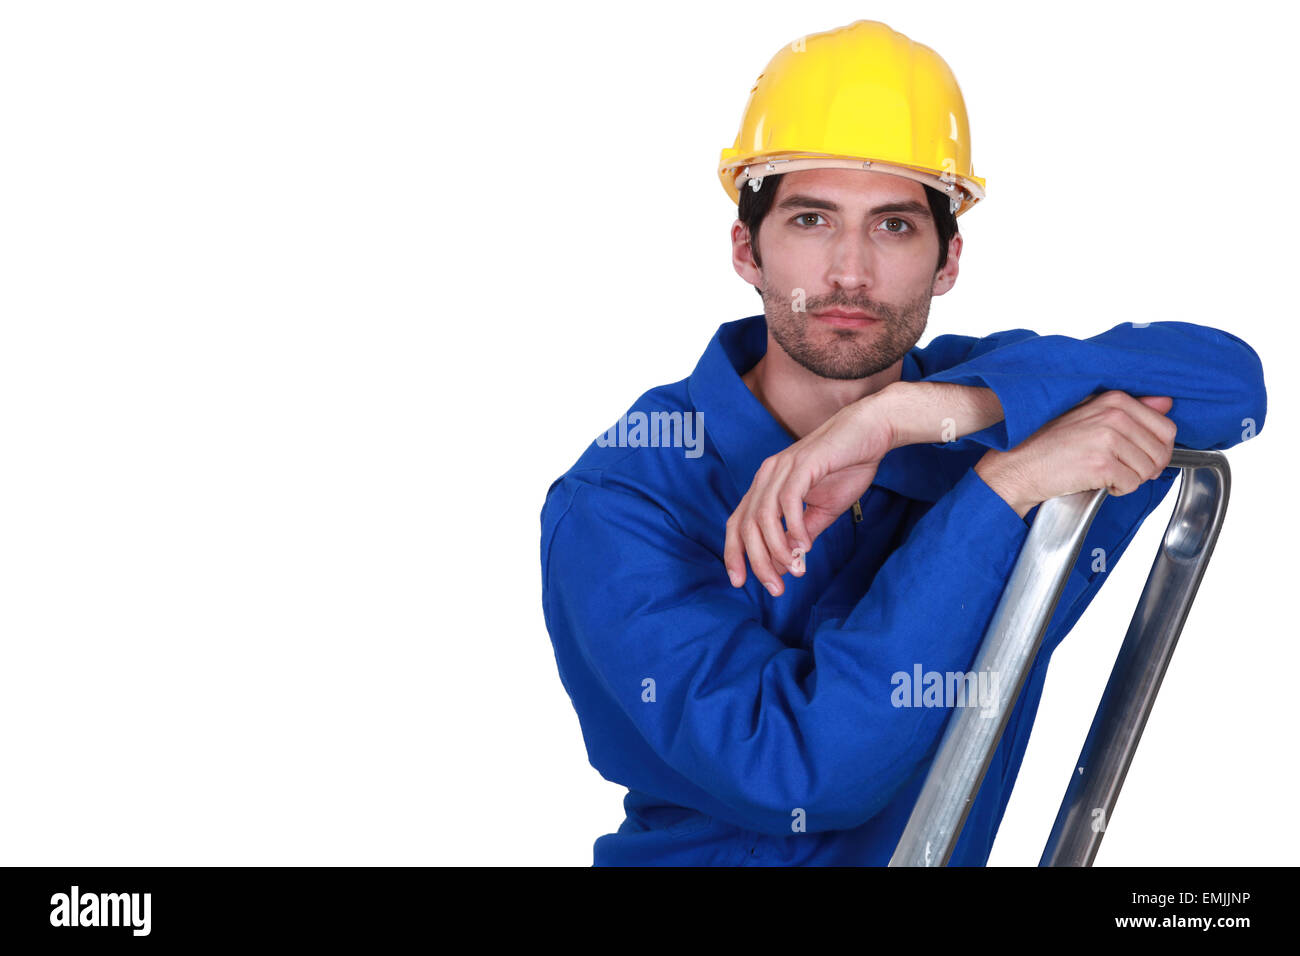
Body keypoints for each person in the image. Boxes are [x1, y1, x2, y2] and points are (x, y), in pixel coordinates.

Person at [538, 19, 1267, 866]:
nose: (850, 272)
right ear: (747, 249)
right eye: (812, 220)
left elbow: (1232, 390)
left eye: (893, 227)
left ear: (948, 261)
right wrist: (997, 497)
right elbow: (801, 773)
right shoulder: (624, 501)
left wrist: (910, 418)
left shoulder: (982, 401)